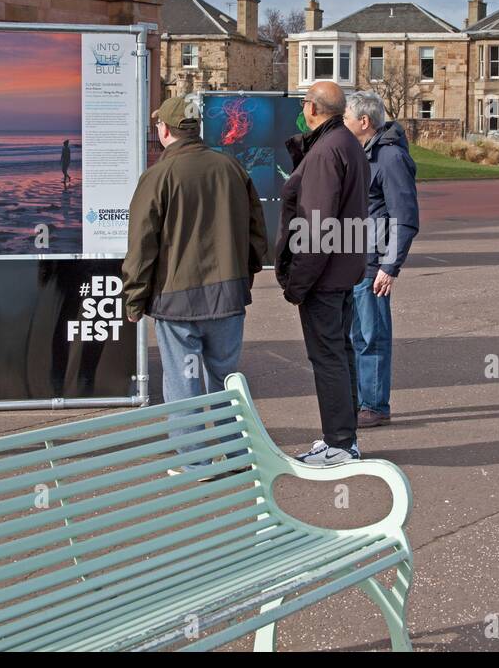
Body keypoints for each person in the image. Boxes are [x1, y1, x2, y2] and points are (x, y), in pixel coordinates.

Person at [122, 96, 267, 478]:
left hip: (177, 301)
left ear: (165, 130)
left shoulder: (158, 176)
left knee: (183, 381)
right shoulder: (231, 168)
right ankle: (236, 454)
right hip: (228, 296)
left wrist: (134, 297)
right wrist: (244, 276)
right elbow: (256, 234)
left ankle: (194, 462)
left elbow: (141, 244)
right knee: (225, 377)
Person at [276, 80, 370, 466]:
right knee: (340, 352)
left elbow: (315, 226)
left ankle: (341, 443)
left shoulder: (328, 150)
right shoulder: (346, 144)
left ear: (312, 108)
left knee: (329, 356)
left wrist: (298, 283)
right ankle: (342, 438)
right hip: (342, 271)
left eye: (304, 103)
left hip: (325, 276)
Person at [342, 91, 419, 429]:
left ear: (364, 122)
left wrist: (390, 266)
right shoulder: (363, 153)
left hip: (374, 263)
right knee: (358, 335)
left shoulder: (389, 159)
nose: (343, 123)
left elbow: (405, 217)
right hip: (357, 259)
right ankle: (363, 401)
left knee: (372, 336)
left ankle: (374, 406)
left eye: (346, 118)